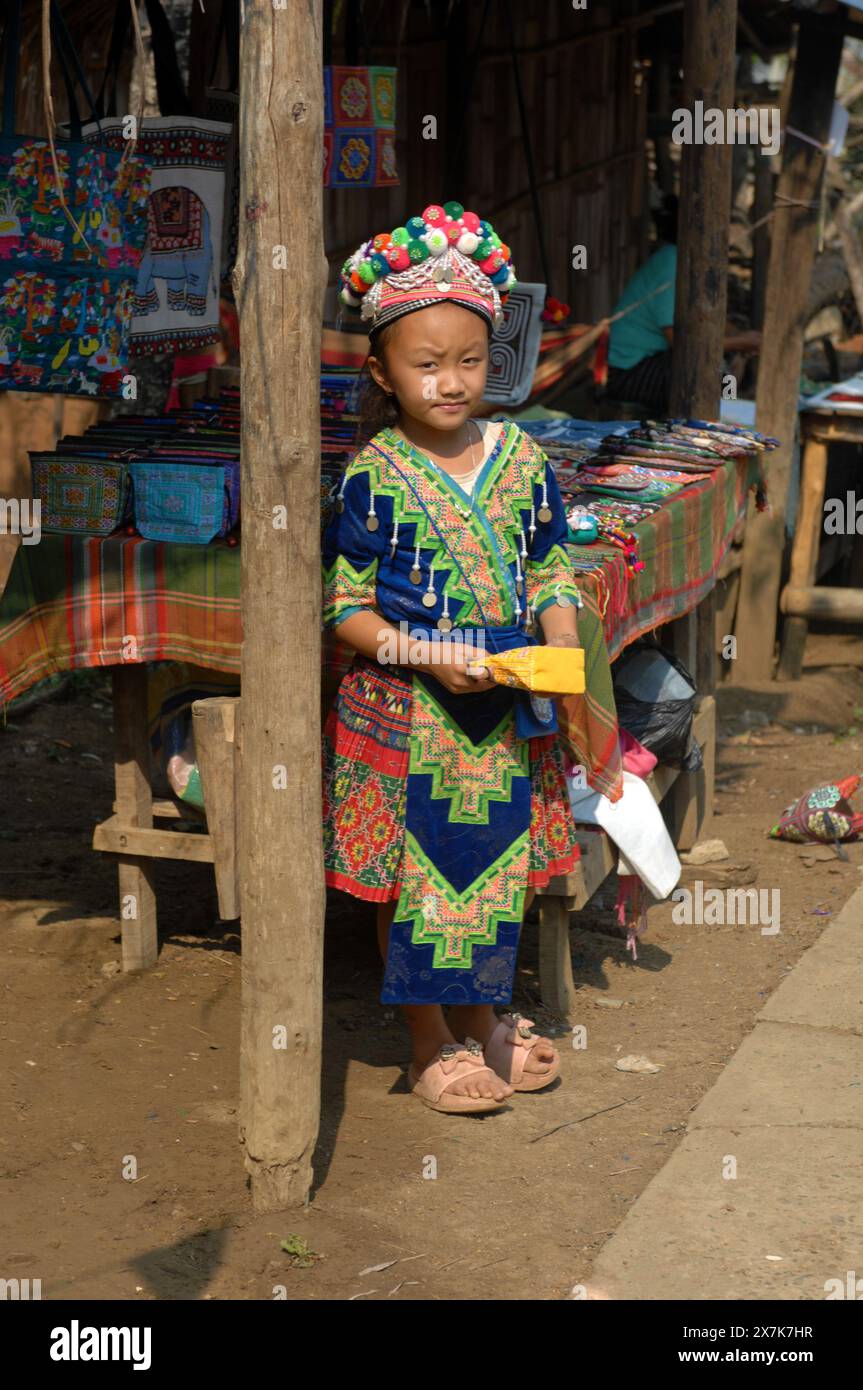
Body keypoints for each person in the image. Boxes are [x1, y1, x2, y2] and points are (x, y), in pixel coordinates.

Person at [322, 201, 583, 1114]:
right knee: (417, 872)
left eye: (469, 361)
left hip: (504, 708)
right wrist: (423, 654)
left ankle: (486, 1018)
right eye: (425, 365)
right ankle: (428, 1040)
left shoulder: (522, 456)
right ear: (384, 373)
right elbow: (343, 608)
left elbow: (550, 562)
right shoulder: (373, 476)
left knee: (491, 864)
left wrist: (557, 634)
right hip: (408, 710)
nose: (450, 381)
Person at [606, 193, 761, 412]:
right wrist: (739, 342)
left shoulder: (682, 261)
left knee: (718, 370)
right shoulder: (672, 265)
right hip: (627, 372)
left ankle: (726, 410)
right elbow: (680, 343)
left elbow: (703, 315)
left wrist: (738, 334)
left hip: (645, 361)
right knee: (701, 376)